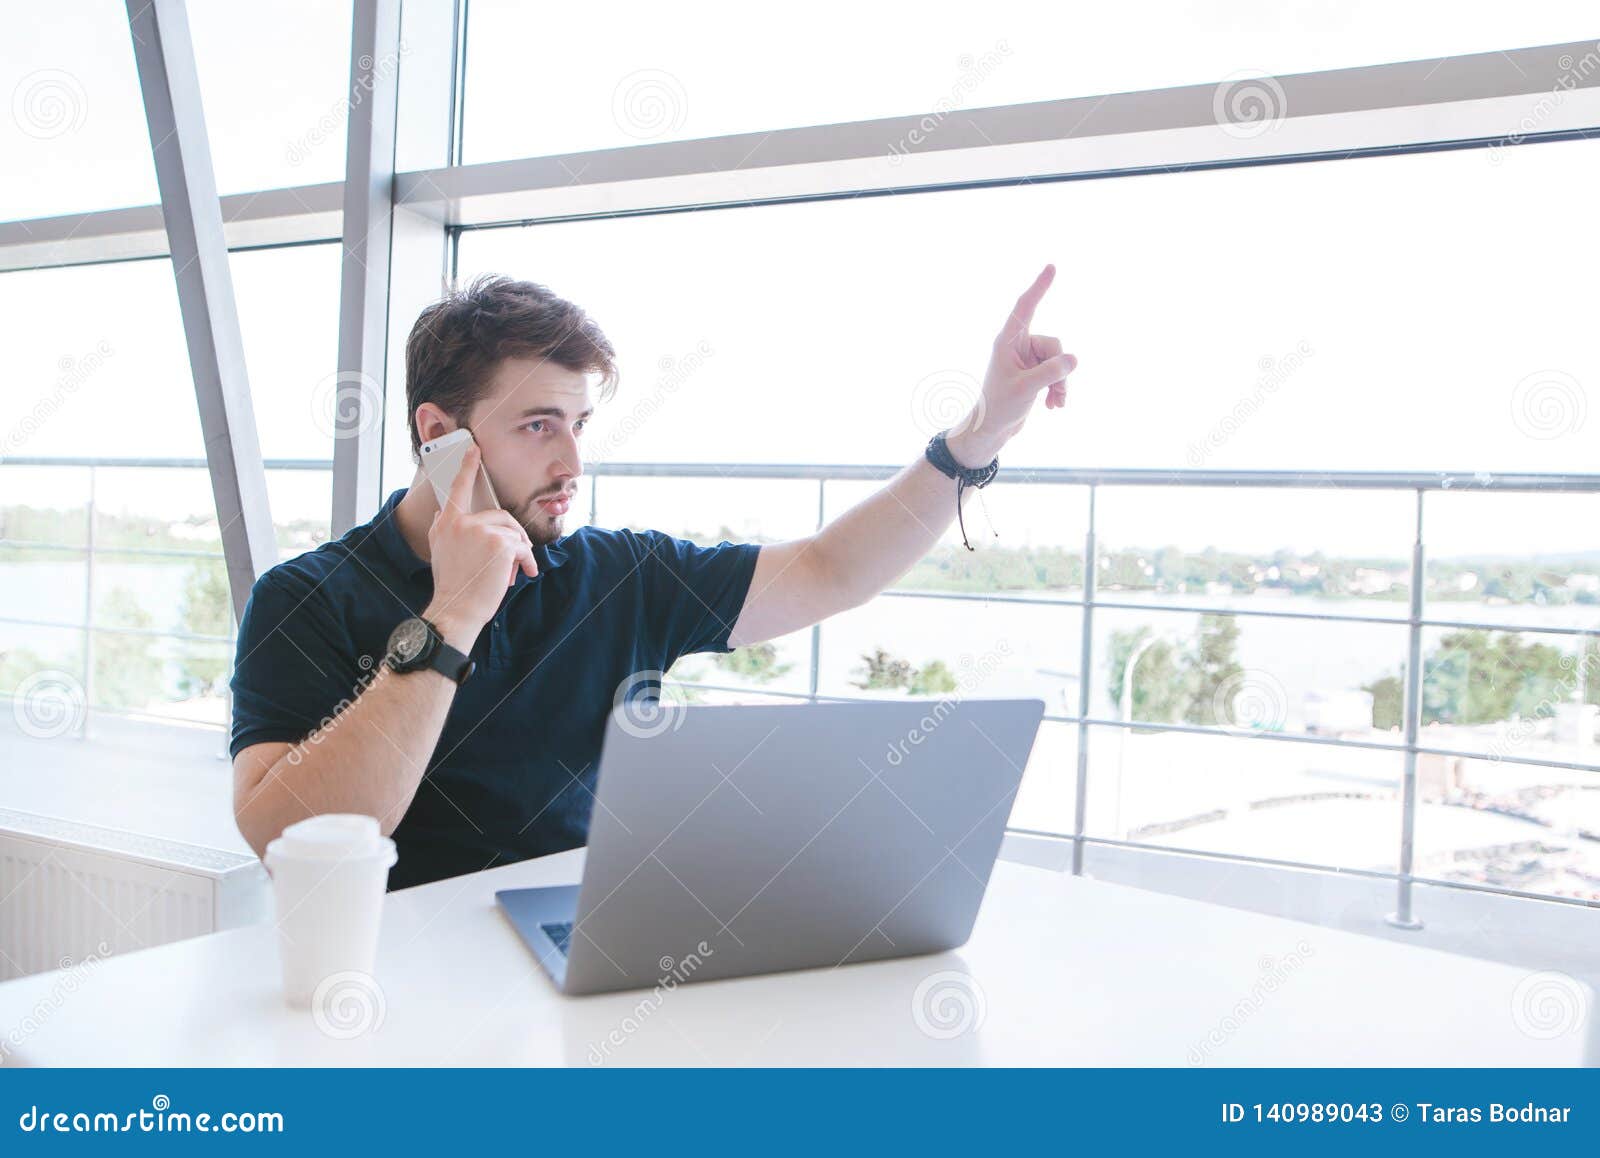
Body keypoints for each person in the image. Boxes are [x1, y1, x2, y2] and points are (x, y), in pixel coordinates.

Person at [229, 269, 1077, 889]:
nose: (572, 462)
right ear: (438, 433)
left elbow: (829, 572)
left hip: (583, 966)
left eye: (579, 423)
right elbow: (284, 836)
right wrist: (451, 616)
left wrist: (979, 436)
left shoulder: (618, 575)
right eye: (537, 426)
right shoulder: (306, 598)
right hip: (395, 992)